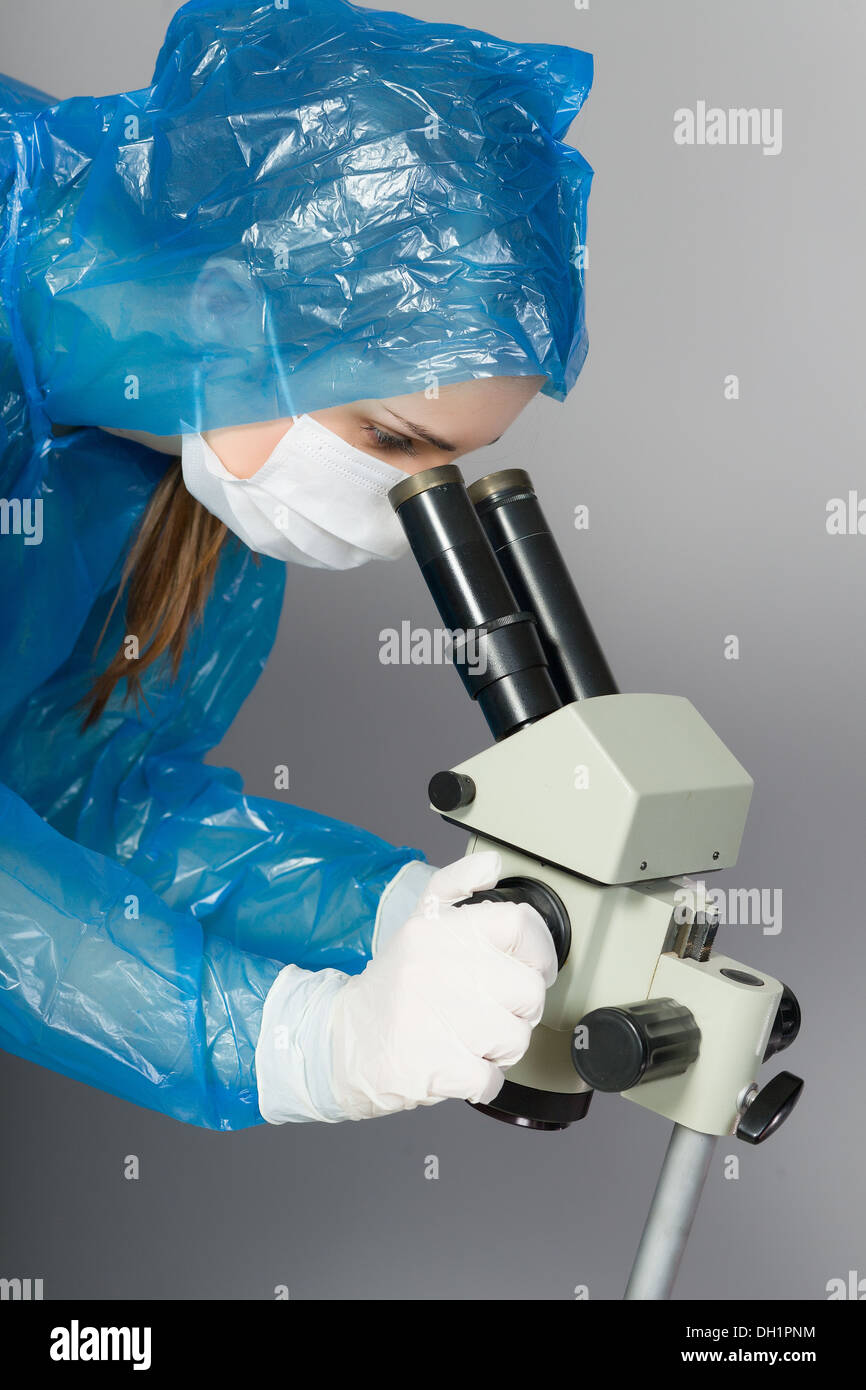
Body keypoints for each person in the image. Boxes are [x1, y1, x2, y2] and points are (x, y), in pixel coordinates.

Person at [0, 0, 593, 1129]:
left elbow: (92, 799)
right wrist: (300, 1041)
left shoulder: (210, 444)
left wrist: (401, 914)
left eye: (452, 464)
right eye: (391, 440)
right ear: (231, 310)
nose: (408, 507)